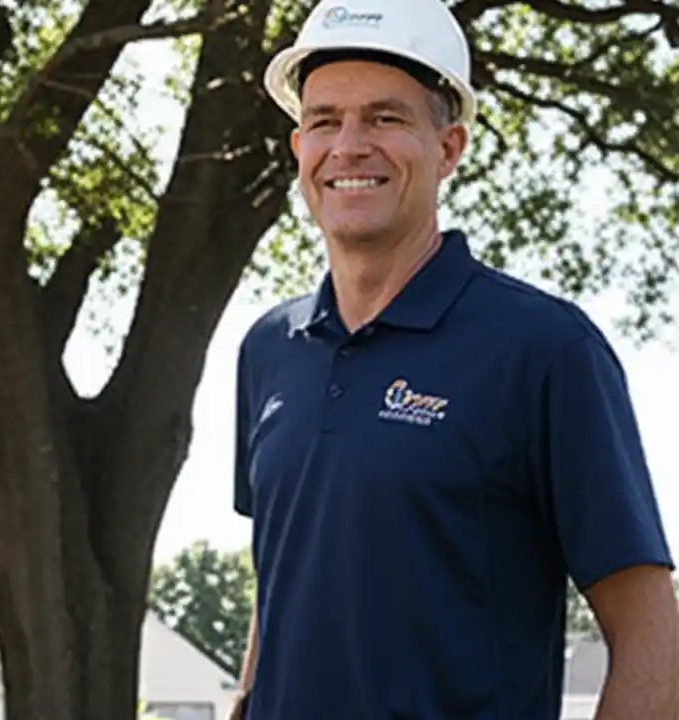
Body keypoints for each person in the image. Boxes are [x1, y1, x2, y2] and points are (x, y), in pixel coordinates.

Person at [230, 1, 679, 718]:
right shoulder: (268, 350)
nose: (348, 145)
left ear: (449, 148)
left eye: (385, 117)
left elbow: (653, 633)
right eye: (325, 120)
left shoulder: (546, 350)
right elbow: (280, 584)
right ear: (298, 148)